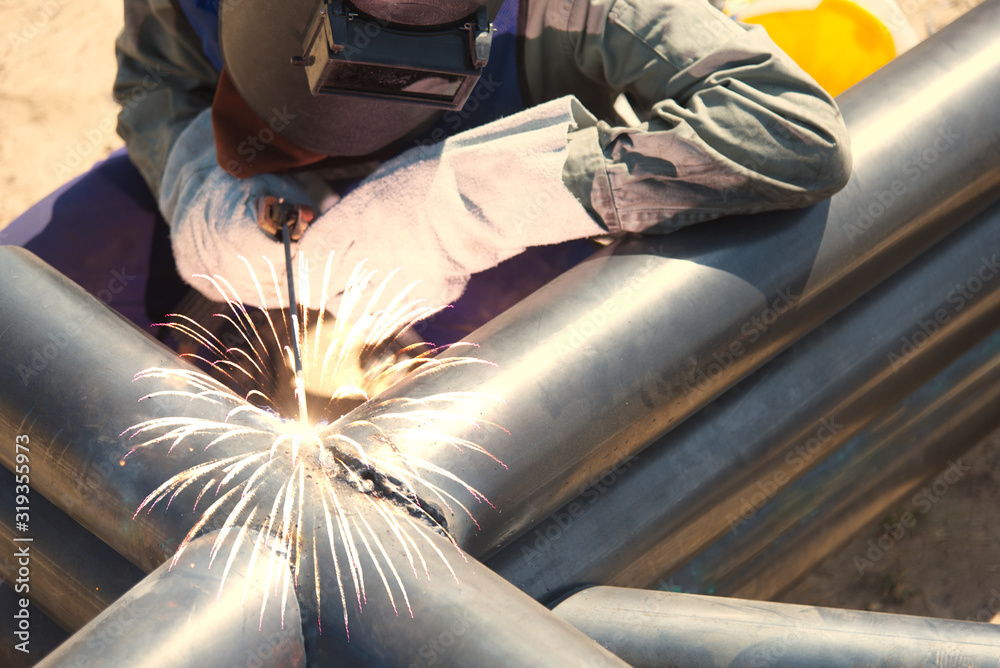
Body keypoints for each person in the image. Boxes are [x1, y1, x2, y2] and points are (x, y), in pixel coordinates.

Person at [114, 0, 850, 340]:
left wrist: (476, 202)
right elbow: (155, 82)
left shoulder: (587, 9)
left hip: (535, 260)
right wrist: (204, 192)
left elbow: (790, 130)